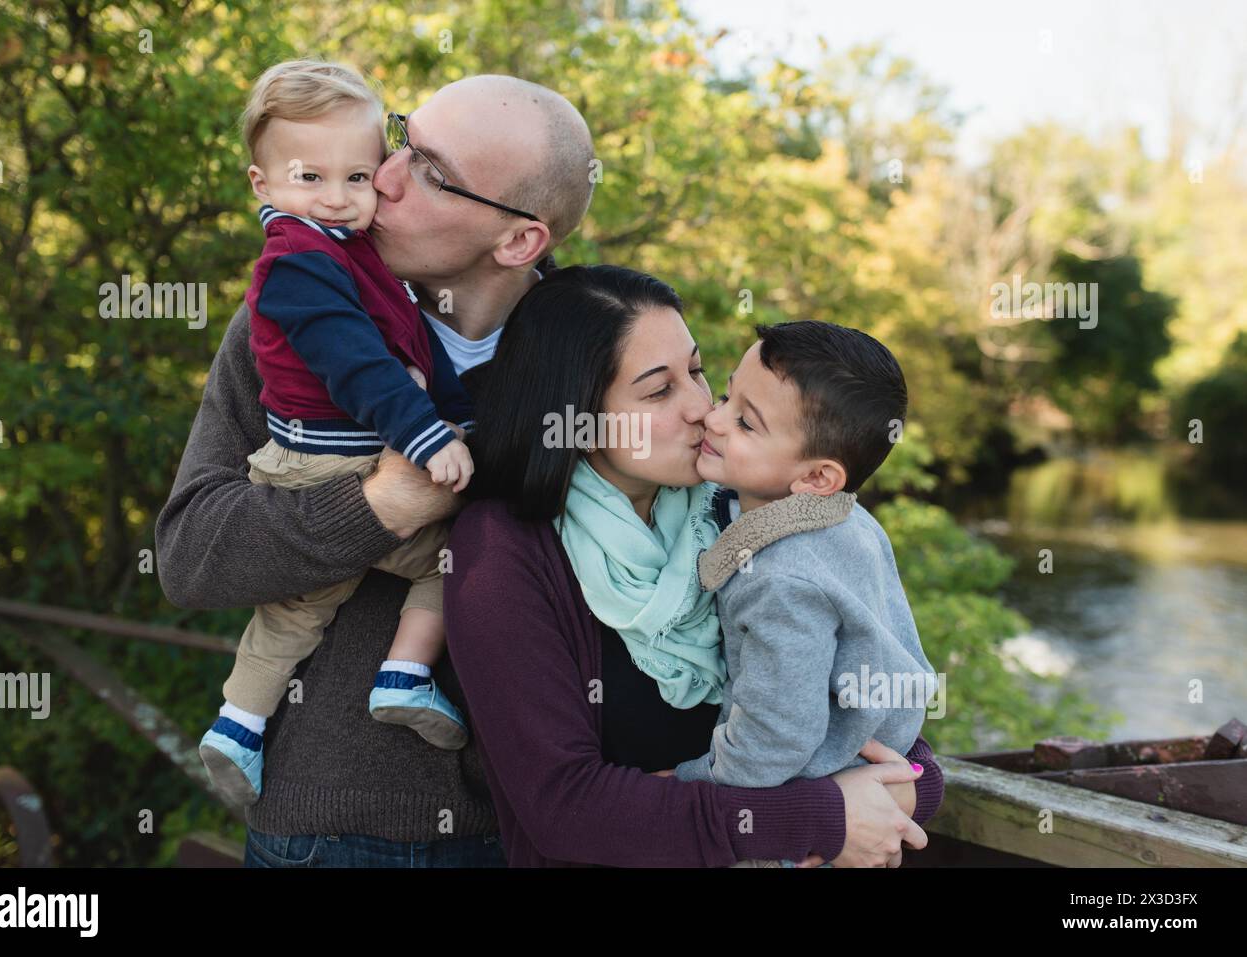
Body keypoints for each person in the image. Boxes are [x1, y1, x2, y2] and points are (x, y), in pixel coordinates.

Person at [156, 73, 595, 866]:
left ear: (521, 239)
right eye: (400, 140)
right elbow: (189, 556)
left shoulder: (603, 353)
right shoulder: (293, 310)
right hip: (327, 826)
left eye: (429, 169)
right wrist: (380, 504)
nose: (380, 175)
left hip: (539, 826)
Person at [444, 265, 944, 866]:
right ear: (575, 413)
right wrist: (819, 818)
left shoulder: (755, 517)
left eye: (700, 373)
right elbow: (565, 812)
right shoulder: (504, 551)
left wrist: (910, 787)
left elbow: (887, 723)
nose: (704, 410)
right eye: (659, 391)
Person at [198, 59, 481, 809]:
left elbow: (413, 351)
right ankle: (394, 675)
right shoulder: (296, 264)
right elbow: (363, 368)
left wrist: (465, 418)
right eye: (311, 178)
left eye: (358, 176)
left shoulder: (361, 265)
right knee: (448, 561)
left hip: (489, 823)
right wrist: (420, 445)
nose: (346, 197)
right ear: (263, 185)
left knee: (305, 610)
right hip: (316, 466)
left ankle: (244, 725)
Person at [675, 321, 937, 867]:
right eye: (726, 394)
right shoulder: (850, 523)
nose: (714, 418)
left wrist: (684, 784)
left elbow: (777, 737)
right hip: (870, 767)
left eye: (746, 423)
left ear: (817, 478)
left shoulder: (779, 577)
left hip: (804, 804)